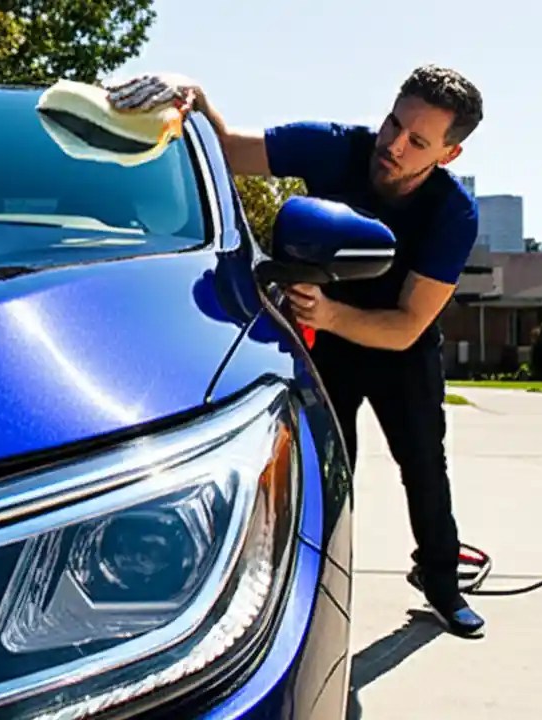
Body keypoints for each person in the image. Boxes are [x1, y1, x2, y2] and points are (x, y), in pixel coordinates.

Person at [105, 66, 486, 637]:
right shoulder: (336, 148)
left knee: (424, 466)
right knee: (327, 471)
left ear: (448, 154)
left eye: (418, 142)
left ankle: (441, 581)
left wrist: (331, 312)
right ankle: (313, 590)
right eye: (393, 124)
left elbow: (408, 324)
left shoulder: (453, 214)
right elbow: (231, 150)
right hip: (325, 344)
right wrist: (195, 94)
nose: (394, 145)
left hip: (395, 348)